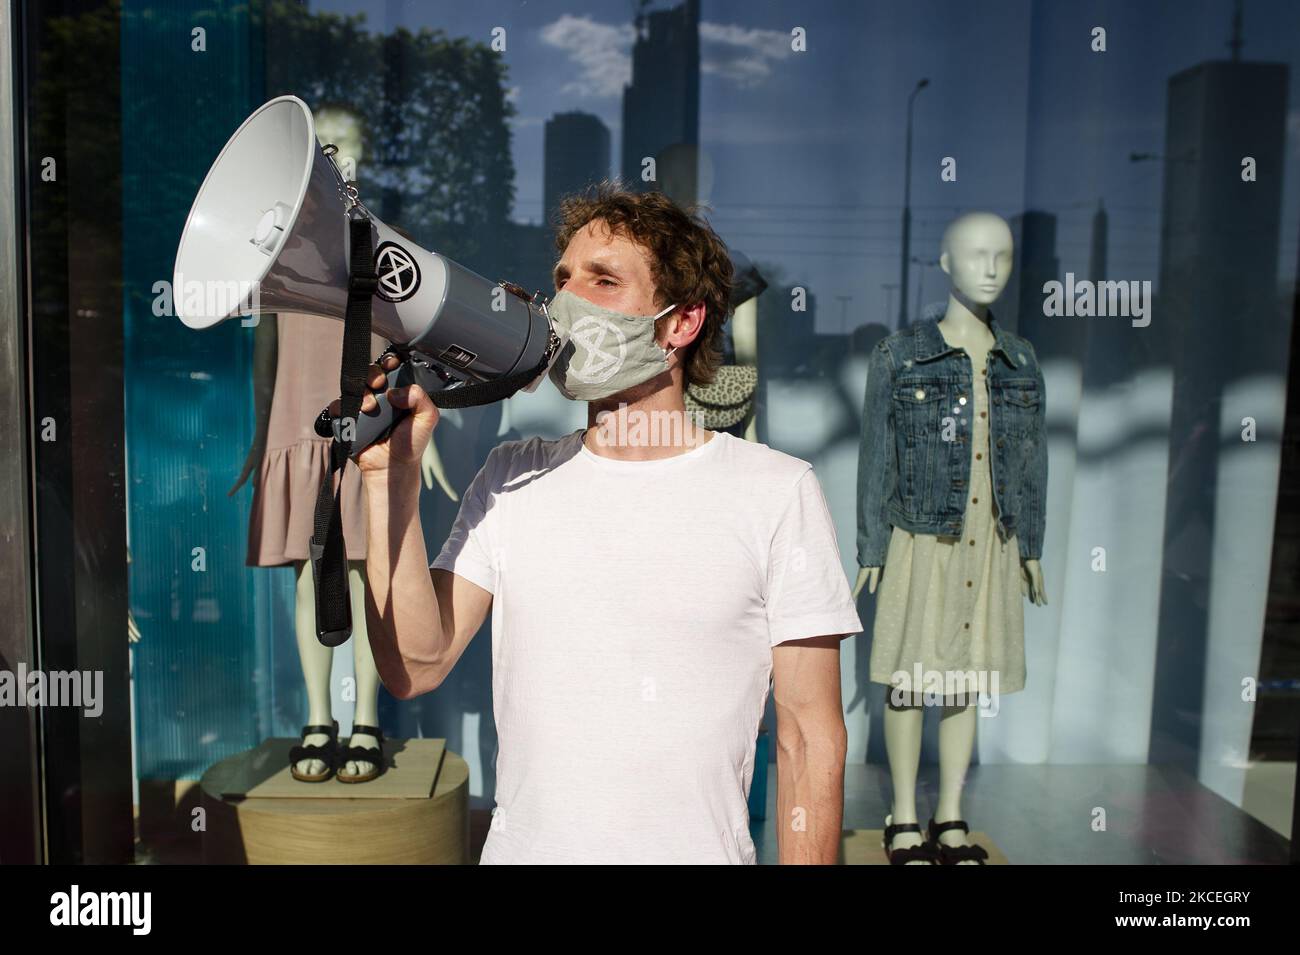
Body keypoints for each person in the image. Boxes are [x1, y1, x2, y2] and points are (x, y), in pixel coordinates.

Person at [347, 181, 862, 864]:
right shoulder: (511, 476)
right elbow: (416, 663)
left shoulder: (776, 492)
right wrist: (394, 478)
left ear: (681, 323)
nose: (567, 301)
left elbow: (807, 736)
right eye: (562, 279)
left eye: (603, 280)